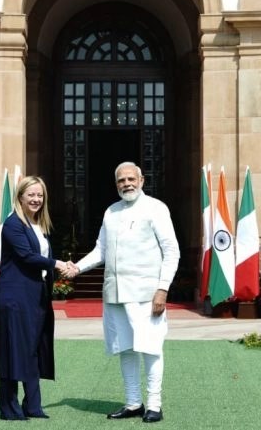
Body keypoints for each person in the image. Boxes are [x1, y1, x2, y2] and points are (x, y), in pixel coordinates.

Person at [66, 161, 180, 424]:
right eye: (121, 180)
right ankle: (133, 403)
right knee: (125, 349)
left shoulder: (156, 208)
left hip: (146, 293)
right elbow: (101, 250)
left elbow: (171, 251)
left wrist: (162, 289)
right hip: (115, 293)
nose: (126, 184)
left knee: (151, 348)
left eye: (131, 179)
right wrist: (77, 268)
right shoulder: (111, 212)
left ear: (142, 180)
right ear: (116, 184)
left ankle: (154, 404)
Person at [0, 175, 69, 421]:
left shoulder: (40, 225)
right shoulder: (13, 224)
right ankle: (9, 408)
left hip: (36, 297)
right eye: (31, 195)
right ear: (20, 197)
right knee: (13, 350)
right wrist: (58, 264)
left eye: (40, 195)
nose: (36, 199)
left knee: (33, 349)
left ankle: (33, 406)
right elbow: (26, 256)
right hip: (15, 298)